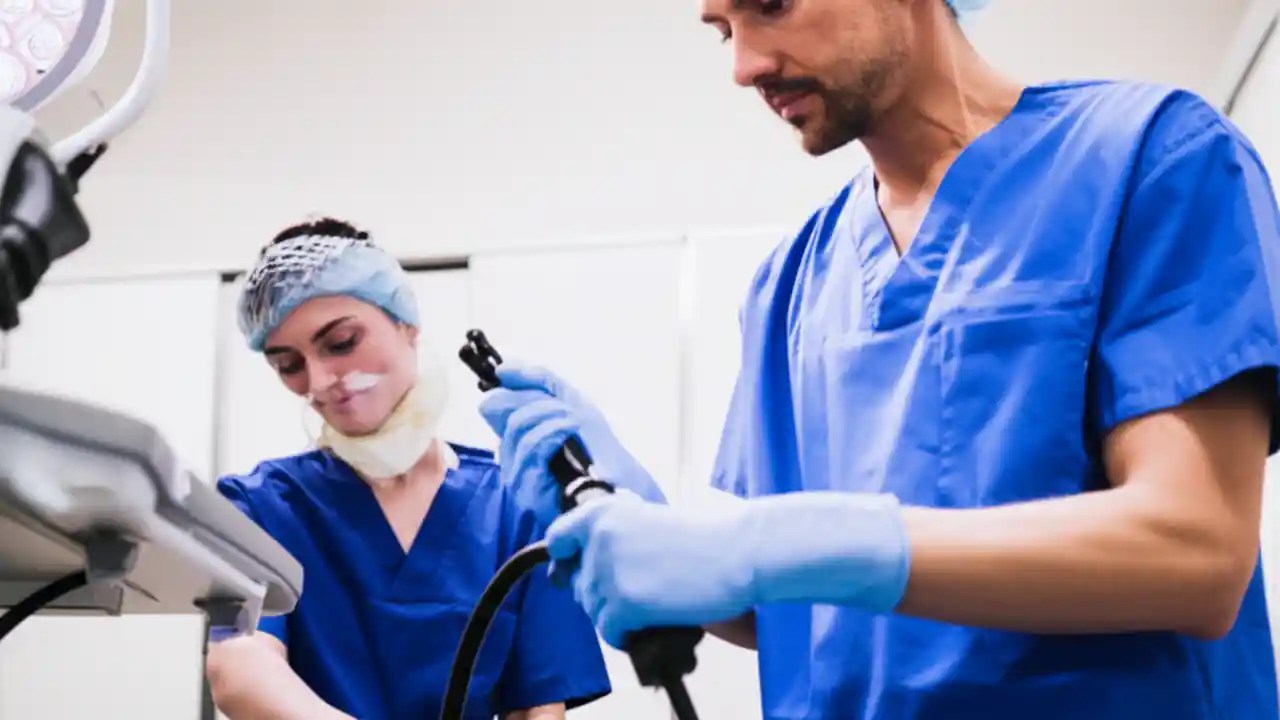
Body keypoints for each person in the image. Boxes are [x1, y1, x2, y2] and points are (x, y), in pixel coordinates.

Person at [478, 0, 1280, 718]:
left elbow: (1196, 554)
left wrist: (783, 543)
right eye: (724, 29)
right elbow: (801, 616)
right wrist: (651, 526)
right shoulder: (790, 285)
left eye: (771, 5)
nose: (744, 65)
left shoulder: (1146, 158)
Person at [205, 217, 610, 720]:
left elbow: (536, 708)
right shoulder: (258, 507)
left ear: (405, 322)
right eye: (289, 365)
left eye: (341, 341)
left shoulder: (516, 501)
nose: (321, 378)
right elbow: (237, 666)